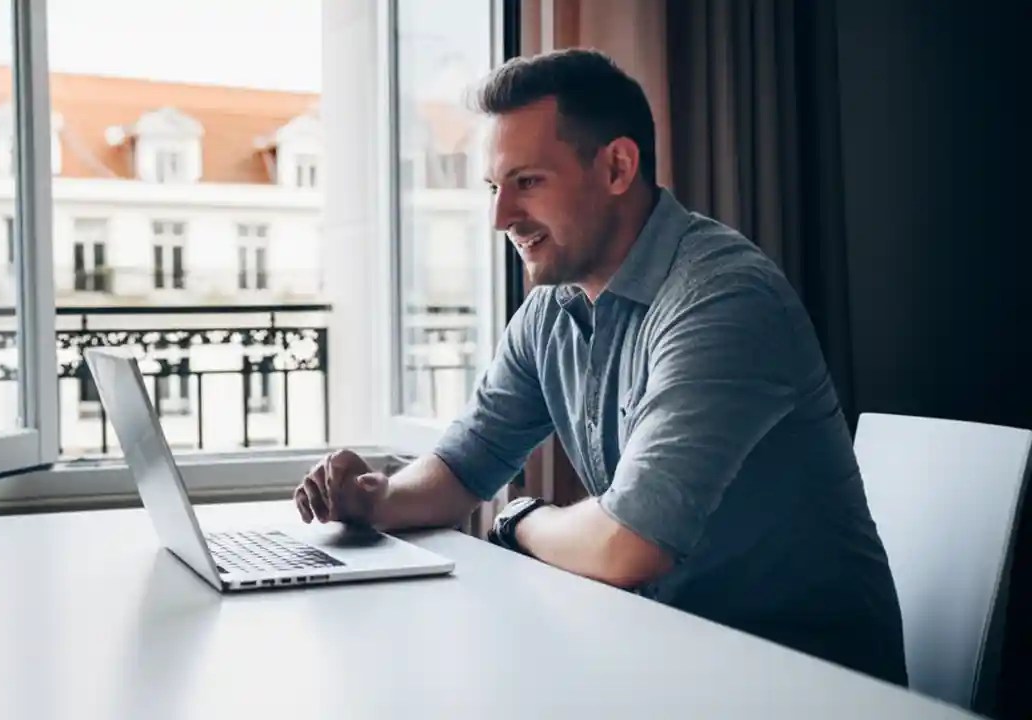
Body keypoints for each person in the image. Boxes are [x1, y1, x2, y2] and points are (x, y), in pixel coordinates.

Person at [294, 48, 906, 685]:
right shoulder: (551, 311)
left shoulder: (724, 299)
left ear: (617, 166)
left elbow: (626, 544)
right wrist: (378, 499)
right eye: (493, 188)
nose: (499, 218)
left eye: (527, 182)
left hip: (804, 684)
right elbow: (462, 466)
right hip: (666, 655)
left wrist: (520, 520)